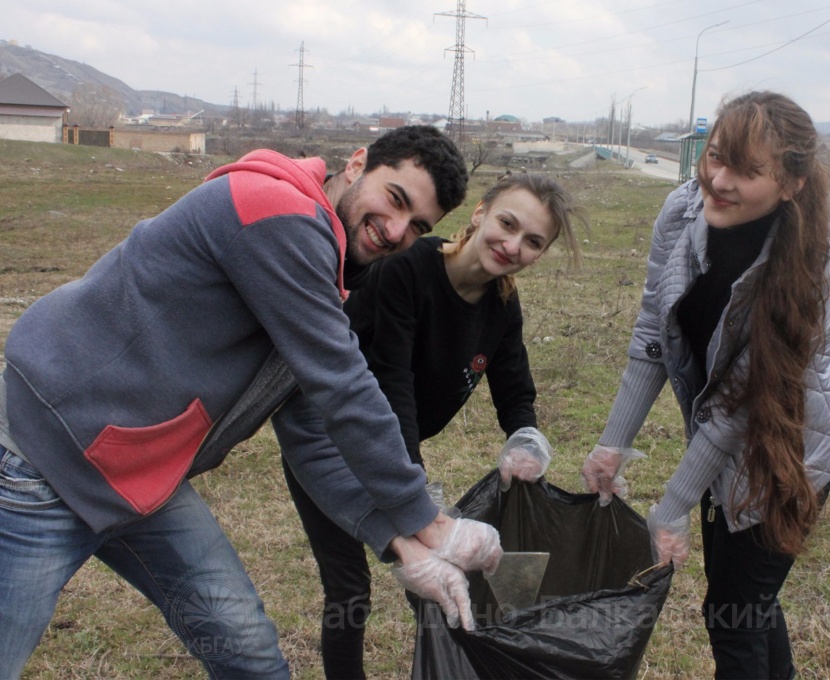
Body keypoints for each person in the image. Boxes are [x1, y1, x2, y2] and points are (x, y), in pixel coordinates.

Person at [0, 125, 505, 679]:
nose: (396, 231)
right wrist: (431, 523)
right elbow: (343, 385)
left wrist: (402, 544)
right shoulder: (277, 214)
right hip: (39, 461)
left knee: (249, 655)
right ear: (358, 163)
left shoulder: (325, 273)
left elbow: (312, 433)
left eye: (419, 227)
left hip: (139, 477)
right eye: (396, 199)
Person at [275, 172, 587, 679]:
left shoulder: (502, 305)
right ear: (481, 212)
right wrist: (415, 491)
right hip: (327, 440)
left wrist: (524, 437)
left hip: (393, 452)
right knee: (349, 586)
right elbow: (393, 382)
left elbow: (513, 384)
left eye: (533, 242)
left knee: (438, 582)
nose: (512, 246)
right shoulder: (408, 268)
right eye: (507, 224)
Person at [581, 91, 830, 679]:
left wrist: (672, 507)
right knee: (747, 608)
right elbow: (656, 330)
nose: (719, 181)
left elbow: (743, 402)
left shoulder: (811, 254)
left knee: (735, 617)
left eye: (747, 171)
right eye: (715, 157)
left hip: (788, 449)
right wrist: (612, 443)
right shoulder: (680, 212)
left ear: (792, 183)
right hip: (726, 443)